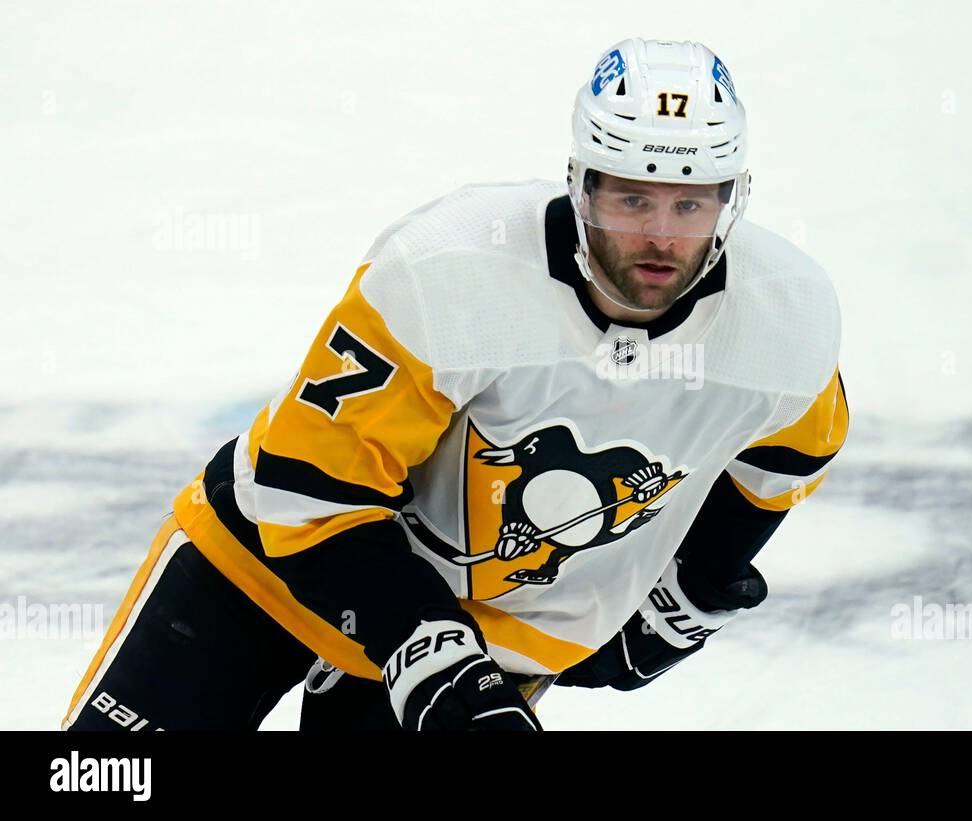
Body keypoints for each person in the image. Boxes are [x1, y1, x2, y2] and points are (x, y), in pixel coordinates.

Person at [63, 37, 848, 732]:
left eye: (689, 204)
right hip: (269, 568)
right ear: (581, 186)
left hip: (499, 623)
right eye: (632, 198)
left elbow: (783, 461)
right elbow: (307, 488)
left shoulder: (785, 322)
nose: (659, 236)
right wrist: (427, 646)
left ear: (730, 201)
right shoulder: (450, 272)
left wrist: (693, 586)